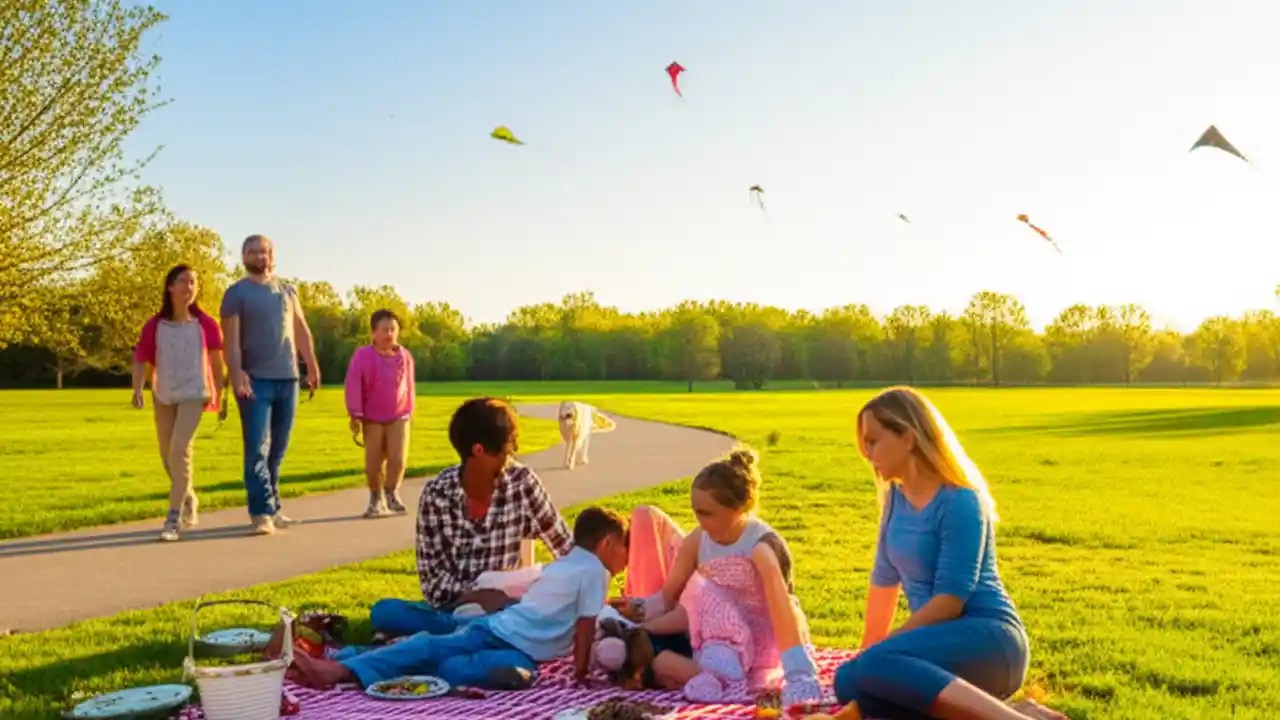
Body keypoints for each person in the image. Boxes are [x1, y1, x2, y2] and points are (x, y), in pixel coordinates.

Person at [832, 386, 1066, 720]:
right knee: (849, 680)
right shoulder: (894, 503)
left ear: (908, 438)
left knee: (877, 665)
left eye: (873, 441)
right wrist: (866, 656)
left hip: (989, 640)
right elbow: (883, 583)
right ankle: (1010, 710)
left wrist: (882, 653)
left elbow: (949, 602)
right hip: (935, 645)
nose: (867, 454)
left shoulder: (961, 502)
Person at [289, 506, 630, 690]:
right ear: (608, 544)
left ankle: (354, 659)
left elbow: (569, 612)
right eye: (626, 550)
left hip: (519, 647)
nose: (627, 560)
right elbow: (585, 626)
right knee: (428, 646)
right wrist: (582, 676)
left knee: (493, 671)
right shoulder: (595, 571)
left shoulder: (571, 563)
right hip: (498, 630)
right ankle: (339, 670)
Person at [369, 397, 575, 645]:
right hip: (454, 609)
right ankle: (457, 640)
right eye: (506, 449)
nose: (511, 455)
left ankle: (435, 643)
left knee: (497, 649)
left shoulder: (522, 483)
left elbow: (566, 547)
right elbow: (434, 584)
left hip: (506, 612)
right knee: (384, 612)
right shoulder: (437, 495)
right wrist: (477, 595)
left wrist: (589, 584)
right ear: (478, 450)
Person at [624, 448, 822, 706]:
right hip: (718, 638)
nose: (699, 521)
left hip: (761, 640)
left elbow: (782, 610)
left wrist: (799, 675)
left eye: (707, 513)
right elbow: (665, 599)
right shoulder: (698, 540)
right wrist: (634, 611)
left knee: (659, 657)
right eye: (696, 511)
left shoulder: (762, 547)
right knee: (644, 643)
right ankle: (708, 677)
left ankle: (715, 680)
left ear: (738, 509)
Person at [219, 234, 319, 535]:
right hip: (255, 380)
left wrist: (311, 366)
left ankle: (273, 506)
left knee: (279, 449)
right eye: (253, 252)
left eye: (265, 251)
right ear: (244, 257)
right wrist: (236, 373)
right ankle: (260, 511)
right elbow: (231, 340)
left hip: (287, 378)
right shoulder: (236, 293)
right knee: (257, 448)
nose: (260, 256)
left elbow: (301, 331)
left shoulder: (287, 291)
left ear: (272, 256)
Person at [130, 265, 225, 542]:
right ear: (170, 287)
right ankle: (188, 496)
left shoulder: (206, 324)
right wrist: (137, 390)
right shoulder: (155, 326)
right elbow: (140, 359)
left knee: (180, 449)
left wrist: (220, 391)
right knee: (166, 453)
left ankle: (173, 517)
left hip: (195, 392)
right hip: (164, 393)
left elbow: (218, 361)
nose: (189, 287)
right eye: (183, 281)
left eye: (193, 282)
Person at [344, 309, 416, 518]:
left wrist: (410, 410)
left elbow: (409, 385)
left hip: (399, 414)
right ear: (373, 333)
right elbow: (353, 384)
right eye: (384, 330)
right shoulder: (363, 356)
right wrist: (355, 413)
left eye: (393, 329)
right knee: (374, 458)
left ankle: (392, 493)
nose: (389, 334)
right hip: (371, 416)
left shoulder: (405, 356)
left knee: (398, 457)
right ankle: (376, 498)